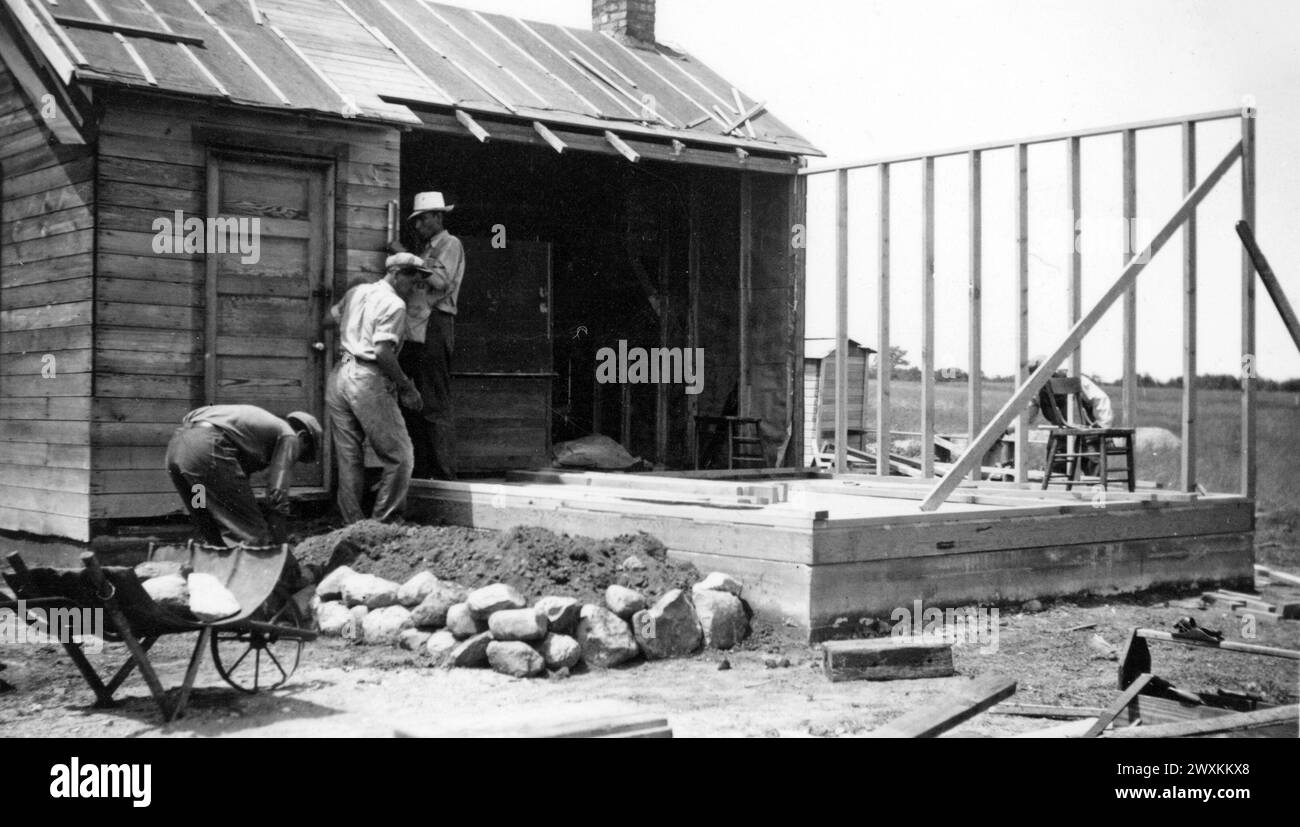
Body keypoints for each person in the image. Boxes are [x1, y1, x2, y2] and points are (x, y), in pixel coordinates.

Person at [326, 253, 428, 524]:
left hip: (340, 374)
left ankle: (352, 525)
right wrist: (406, 387)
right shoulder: (394, 304)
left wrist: (352, 328)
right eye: (412, 280)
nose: (414, 288)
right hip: (367, 377)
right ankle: (384, 522)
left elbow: (328, 318)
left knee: (349, 458)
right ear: (395, 273)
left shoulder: (357, 291)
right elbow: (383, 352)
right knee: (401, 456)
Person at [165, 405, 322, 547]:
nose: (294, 459)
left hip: (178, 451)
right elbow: (277, 496)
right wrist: (282, 547)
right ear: (302, 437)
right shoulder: (290, 436)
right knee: (252, 532)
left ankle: (208, 566)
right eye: (300, 455)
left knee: (203, 513)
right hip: (206, 449)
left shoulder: (256, 430)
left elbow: (232, 482)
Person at [401, 191, 465, 480]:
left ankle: (444, 476)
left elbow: (440, 282)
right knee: (418, 400)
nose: (418, 226)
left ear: (438, 217)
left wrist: (405, 256)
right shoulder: (427, 249)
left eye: (423, 219)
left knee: (435, 401)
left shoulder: (450, 244)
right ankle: (425, 471)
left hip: (436, 324)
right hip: (418, 329)